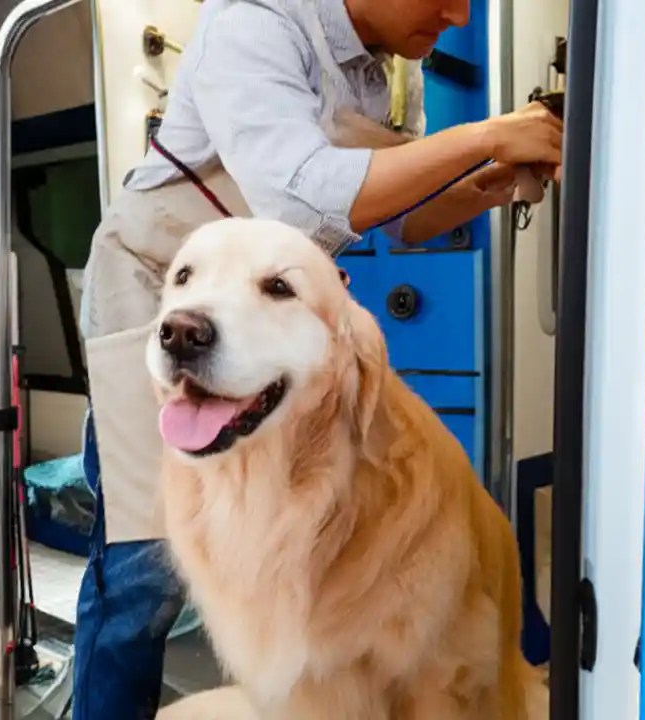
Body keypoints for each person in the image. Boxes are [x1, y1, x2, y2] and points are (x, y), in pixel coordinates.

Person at [72, 1, 563, 718]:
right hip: (162, 291)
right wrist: (487, 134)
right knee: (144, 568)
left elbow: (395, 213)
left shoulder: (382, 74)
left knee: (289, 539)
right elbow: (301, 198)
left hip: (262, 326)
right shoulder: (254, 20)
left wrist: (491, 178)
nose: (458, 15)